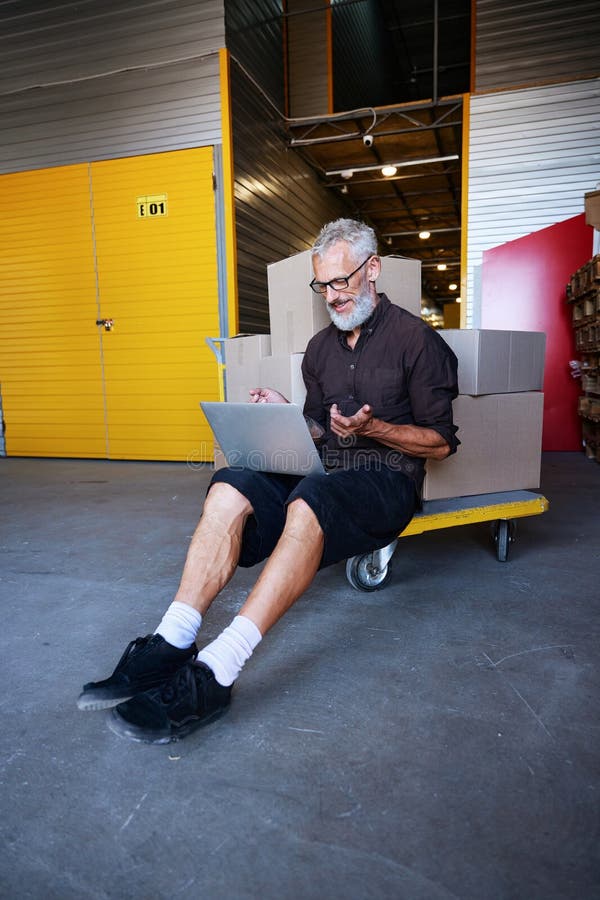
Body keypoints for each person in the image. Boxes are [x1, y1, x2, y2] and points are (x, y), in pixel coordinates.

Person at [77, 218, 459, 744]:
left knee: (311, 500)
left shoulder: (417, 342)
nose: (333, 295)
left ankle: (217, 672)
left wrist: (376, 429)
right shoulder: (321, 349)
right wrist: (290, 417)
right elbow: (319, 430)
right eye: (322, 285)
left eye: (342, 281)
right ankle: (172, 640)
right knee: (231, 482)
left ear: (372, 270)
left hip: (384, 481)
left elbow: (440, 442)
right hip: (324, 469)